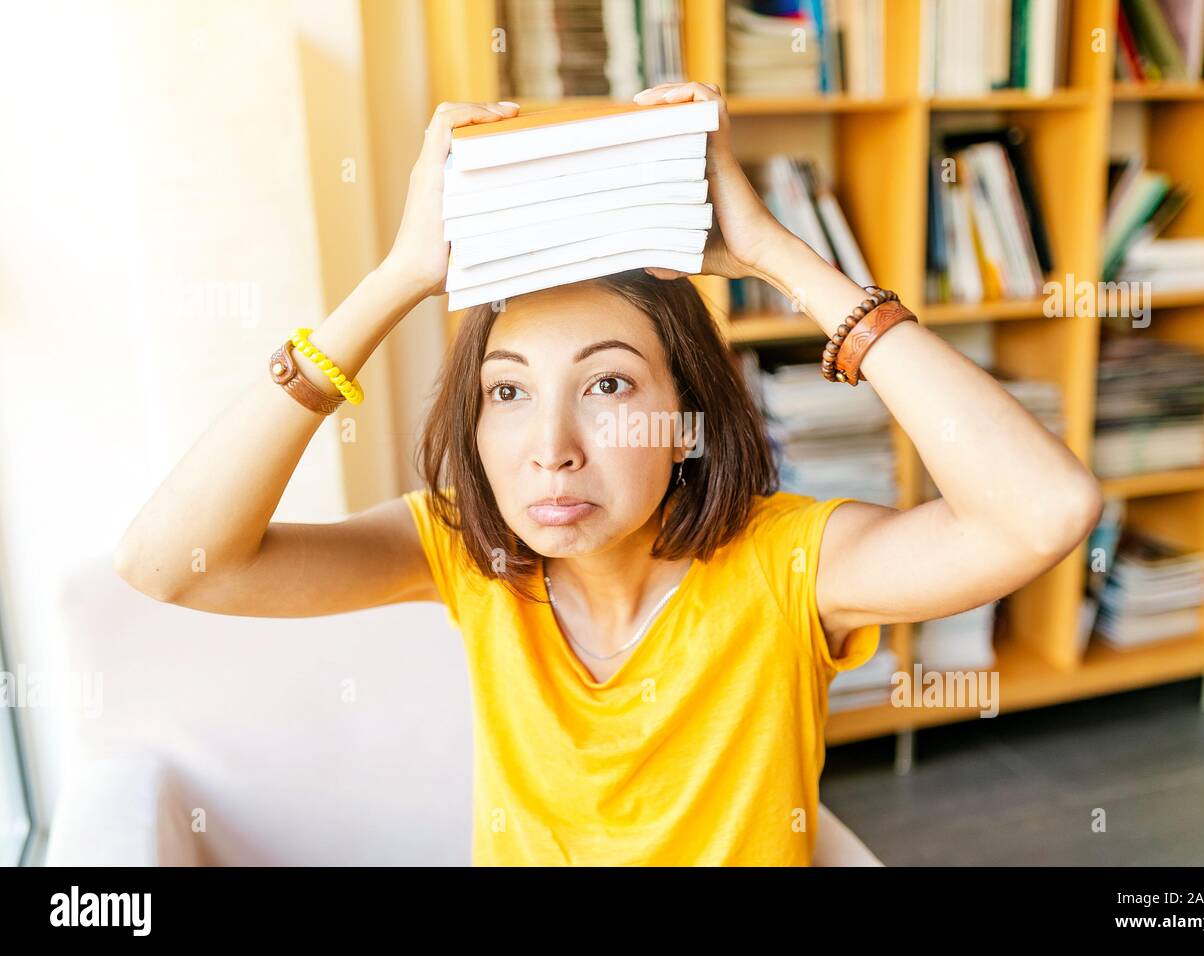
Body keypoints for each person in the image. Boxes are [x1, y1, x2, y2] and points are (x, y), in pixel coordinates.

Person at [114, 81, 1103, 866]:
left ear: (688, 422)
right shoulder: (462, 549)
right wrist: (398, 279)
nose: (550, 445)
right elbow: (173, 564)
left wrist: (776, 252)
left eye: (609, 384)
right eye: (506, 392)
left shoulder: (788, 564)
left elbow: (1044, 510)